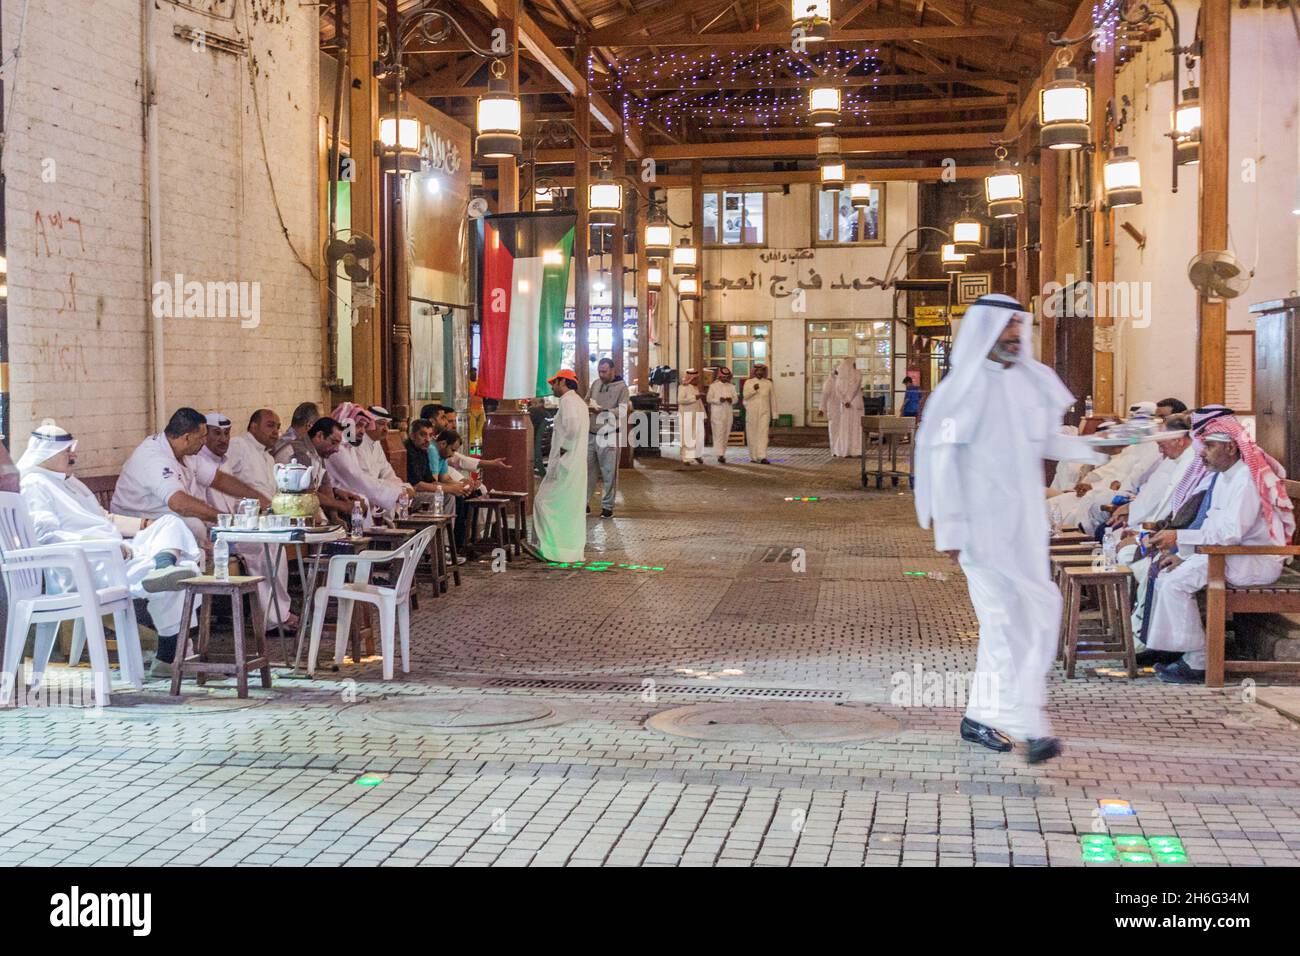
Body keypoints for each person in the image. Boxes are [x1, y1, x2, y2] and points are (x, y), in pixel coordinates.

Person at [914, 294, 1105, 763]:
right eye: (1007, 328)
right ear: (986, 330)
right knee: (1005, 619)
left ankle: (988, 716)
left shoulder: (1029, 383)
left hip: (1024, 526)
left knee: (1037, 613)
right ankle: (1027, 724)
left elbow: (1045, 441)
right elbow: (942, 462)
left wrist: (1102, 446)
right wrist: (951, 532)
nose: (1017, 336)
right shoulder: (962, 391)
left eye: (1021, 327)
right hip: (981, 528)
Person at [17, 420, 205, 679]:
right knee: (184, 572)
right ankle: (167, 656)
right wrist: (104, 543)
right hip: (86, 565)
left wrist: (142, 528)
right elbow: (47, 537)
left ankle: (164, 567)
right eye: (66, 452)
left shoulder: (69, 482)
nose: (73, 456)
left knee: (171, 524)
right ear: (47, 454)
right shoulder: (35, 484)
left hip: (115, 551)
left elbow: (105, 519)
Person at [1145, 408, 1294, 683]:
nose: (1202, 453)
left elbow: (1230, 534)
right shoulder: (1225, 476)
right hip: (1229, 555)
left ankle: (1200, 662)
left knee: (1176, 584)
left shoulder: (1246, 480)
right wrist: (1186, 554)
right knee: (1168, 575)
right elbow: (1214, 528)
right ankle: (1179, 651)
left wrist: (1182, 540)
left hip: (1253, 560)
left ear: (1231, 448)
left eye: (1210, 446)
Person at [112, 407, 268, 543]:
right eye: (201, 437)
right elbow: (179, 503)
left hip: (167, 522)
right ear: (186, 438)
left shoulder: (185, 452)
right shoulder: (155, 458)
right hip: (138, 527)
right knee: (195, 526)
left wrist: (261, 499)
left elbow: (219, 479)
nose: (204, 441)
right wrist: (226, 519)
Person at [217, 408, 296, 634]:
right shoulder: (239, 446)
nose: (276, 431)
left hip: (263, 521)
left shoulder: (268, 457)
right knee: (266, 548)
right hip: (238, 523)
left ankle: (278, 613)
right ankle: (273, 619)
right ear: (253, 426)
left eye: (278, 427)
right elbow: (221, 479)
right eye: (270, 425)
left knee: (275, 544)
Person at [533, 369, 588, 562]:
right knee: (567, 507)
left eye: (554, 383)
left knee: (543, 502)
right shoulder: (578, 402)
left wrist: (564, 451)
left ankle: (551, 549)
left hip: (566, 464)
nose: (551, 387)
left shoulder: (568, 401)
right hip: (573, 464)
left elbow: (571, 429)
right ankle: (564, 550)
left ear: (563, 382)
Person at [325, 403, 411, 516]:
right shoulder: (338, 449)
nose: (362, 431)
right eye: (358, 426)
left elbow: (387, 471)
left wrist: (400, 488)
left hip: (368, 494)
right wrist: (395, 493)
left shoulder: (350, 446)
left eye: (364, 427)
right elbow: (357, 479)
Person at [405, 419, 473, 552]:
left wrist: (458, 486)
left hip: (420, 492)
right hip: (408, 496)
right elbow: (417, 485)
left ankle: (444, 546)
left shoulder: (423, 451)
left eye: (430, 435)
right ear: (412, 435)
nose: (427, 439)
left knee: (451, 497)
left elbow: (432, 481)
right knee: (444, 497)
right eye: (423, 435)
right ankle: (432, 550)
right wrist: (450, 488)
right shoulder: (409, 451)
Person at [587, 357, 630, 518]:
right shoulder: (596, 384)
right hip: (591, 433)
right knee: (588, 471)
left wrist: (606, 411)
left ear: (613, 370)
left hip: (610, 434)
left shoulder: (622, 388)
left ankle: (607, 506)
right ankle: (584, 503)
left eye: (604, 371)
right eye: (599, 371)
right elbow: (587, 399)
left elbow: (624, 410)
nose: (601, 374)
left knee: (609, 472)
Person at [819, 357, 863, 458]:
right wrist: (822, 409)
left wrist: (846, 401)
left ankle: (843, 448)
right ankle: (835, 450)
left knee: (843, 431)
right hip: (834, 410)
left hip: (843, 409)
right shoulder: (830, 383)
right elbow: (824, 397)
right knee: (834, 431)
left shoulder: (845, 380)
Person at [742, 363, 775, 464]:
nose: (760, 373)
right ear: (754, 372)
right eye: (758, 371)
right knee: (752, 433)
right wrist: (753, 389)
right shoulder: (748, 382)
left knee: (763, 434)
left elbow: (773, 399)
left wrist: (775, 414)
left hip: (765, 411)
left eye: (762, 371)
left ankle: (762, 456)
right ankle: (753, 456)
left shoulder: (768, 383)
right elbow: (745, 396)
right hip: (752, 411)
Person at [706, 367, 737, 463]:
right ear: (719, 376)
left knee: (726, 434)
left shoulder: (731, 386)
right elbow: (708, 399)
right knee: (718, 434)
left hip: (728, 413)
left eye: (726, 377)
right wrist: (719, 400)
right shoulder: (713, 386)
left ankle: (722, 453)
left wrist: (731, 400)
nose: (724, 378)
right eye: (723, 377)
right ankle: (719, 454)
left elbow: (736, 399)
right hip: (717, 413)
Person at [677, 369, 705, 467]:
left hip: (696, 415)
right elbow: (680, 400)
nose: (698, 380)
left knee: (697, 436)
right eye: (696, 378)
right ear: (691, 378)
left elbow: (699, 402)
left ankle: (696, 455)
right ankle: (685, 458)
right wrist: (695, 398)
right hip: (686, 415)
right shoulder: (683, 387)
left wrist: (704, 415)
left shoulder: (695, 388)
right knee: (686, 437)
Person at [468, 369, 486, 450]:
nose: (474, 375)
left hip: (481, 409)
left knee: (480, 429)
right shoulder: (467, 384)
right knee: (472, 429)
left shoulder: (479, 383)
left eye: (475, 373)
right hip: (472, 410)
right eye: (472, 373)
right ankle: (472, 449)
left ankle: (479, 447)